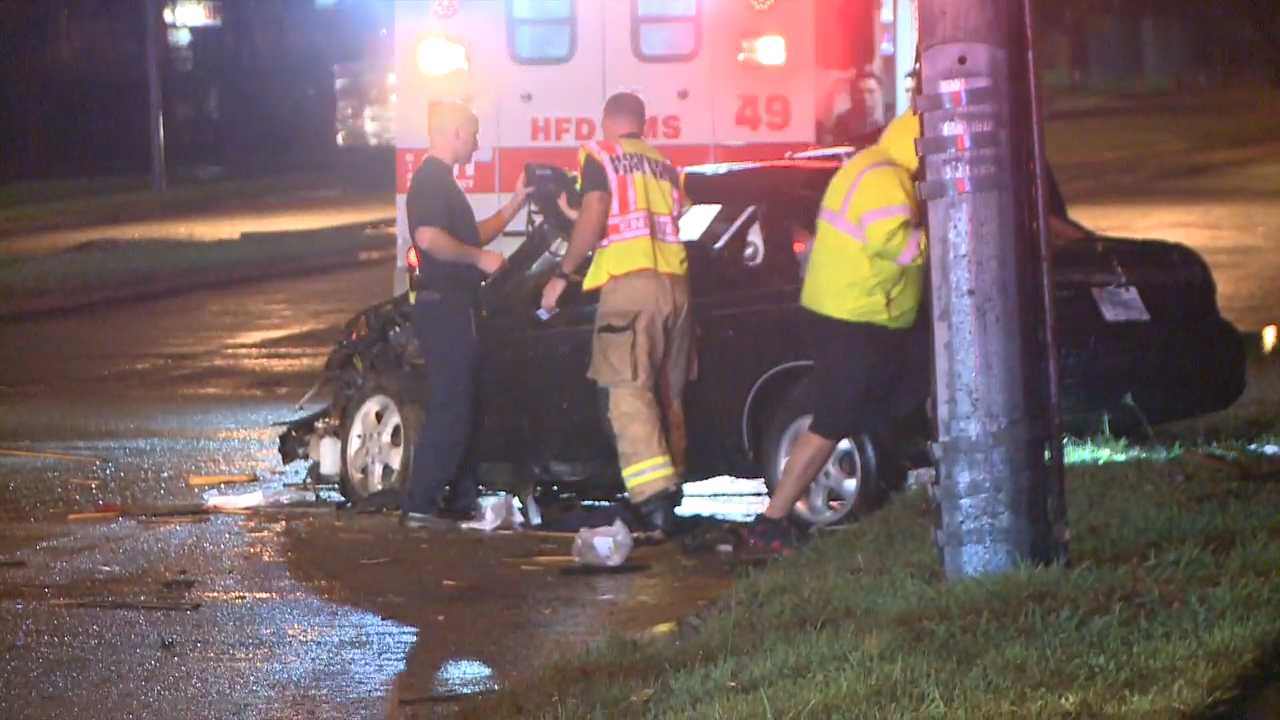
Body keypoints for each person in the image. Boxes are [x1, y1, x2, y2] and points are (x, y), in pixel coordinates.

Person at [741, 108, 930, 556]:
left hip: (868, 317)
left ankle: (909, 483)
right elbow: (899, 246)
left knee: (905, 392)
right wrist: (946, 233)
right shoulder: (884, 178)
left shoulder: (876, 168)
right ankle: (772, 522)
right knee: (831, 420)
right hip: (851, 318)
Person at [540, 91, 693, 536]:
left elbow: (598, 209)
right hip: (676, 287)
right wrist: (581, 216)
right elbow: (671, 216)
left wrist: (563, 274)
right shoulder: (663, 164)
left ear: (607, 122)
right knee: (670, 395)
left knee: (627, 393)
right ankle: (675, 483)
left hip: (630, 288)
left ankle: (655, 502)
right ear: (642, 124)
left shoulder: (601, 154)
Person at [400, 100, 530, 529]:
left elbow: (471, 236)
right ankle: (421, 503)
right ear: (454, 132)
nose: (477, 143)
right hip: (444, 308)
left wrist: (515, 205)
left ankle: (458, 501)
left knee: (465, 405)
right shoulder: (430, 180)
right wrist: (477, 259)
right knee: (451, 405)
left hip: (454, 305)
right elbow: (429, 238)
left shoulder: (444, 184)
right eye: (473, 134)